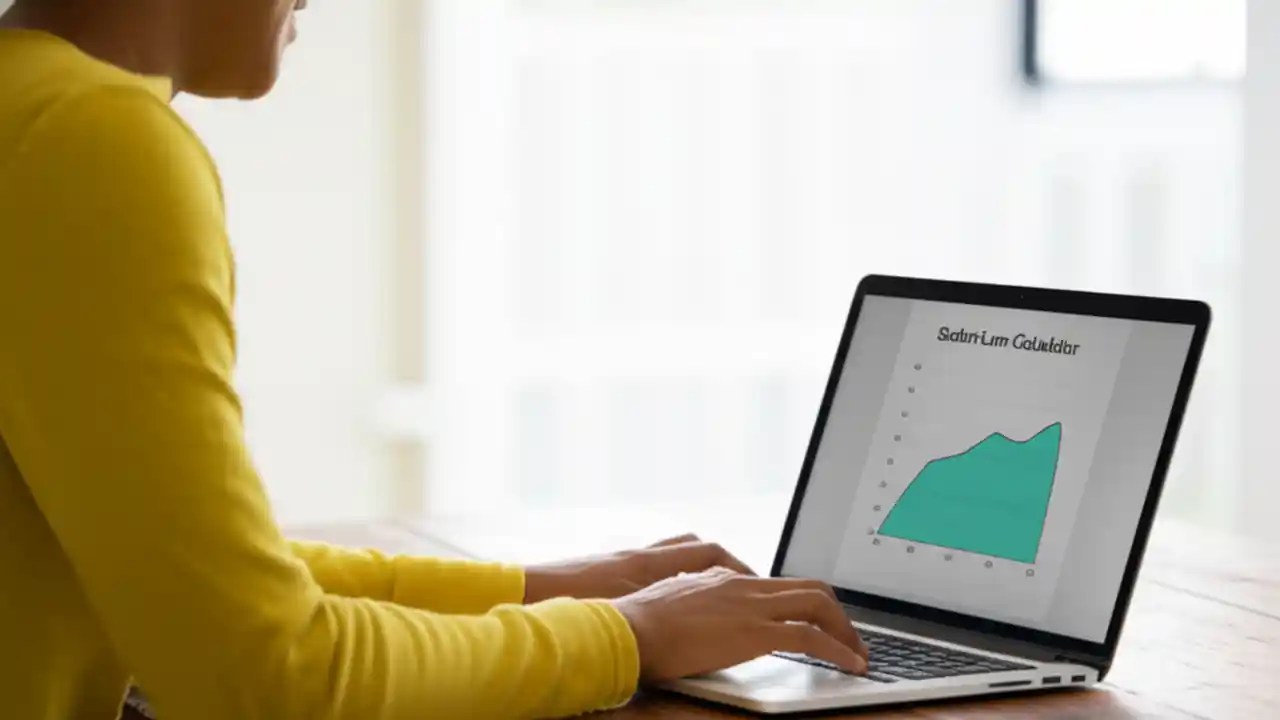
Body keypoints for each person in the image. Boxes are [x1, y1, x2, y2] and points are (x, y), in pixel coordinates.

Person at [0, 0, 868, 718]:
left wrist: (546, 588)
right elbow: (268, 673)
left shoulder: (28, 103)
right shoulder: (91, 136)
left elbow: (186, 575)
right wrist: (630, 636)